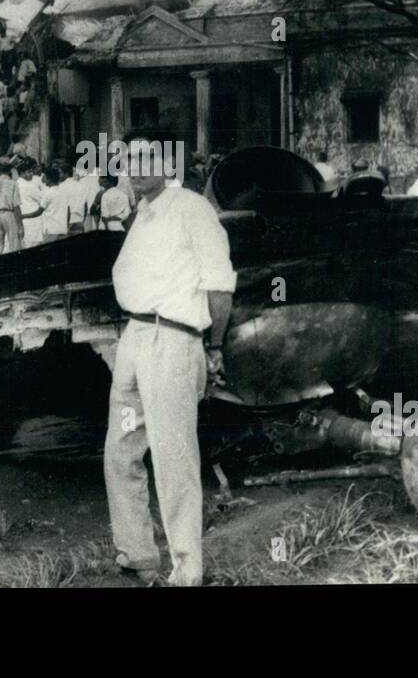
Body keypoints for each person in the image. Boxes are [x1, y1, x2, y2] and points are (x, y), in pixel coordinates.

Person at [105, 126, 236, 587]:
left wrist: (214, 345)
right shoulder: (144, 213)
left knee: (173, 458)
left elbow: (219, 285)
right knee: (121, 451)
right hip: (135, 340)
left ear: (170, 164)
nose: (134, 168)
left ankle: (187, 570)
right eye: (129, 159)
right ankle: (137, 554)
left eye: (146, 159)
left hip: (173, 342)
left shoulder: (192, 209)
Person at [0, 156, 22, 254]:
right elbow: (16, 206)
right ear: (9, 170)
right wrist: (20, 225)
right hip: (9, 214)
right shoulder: (13, 183)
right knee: (14, 246)